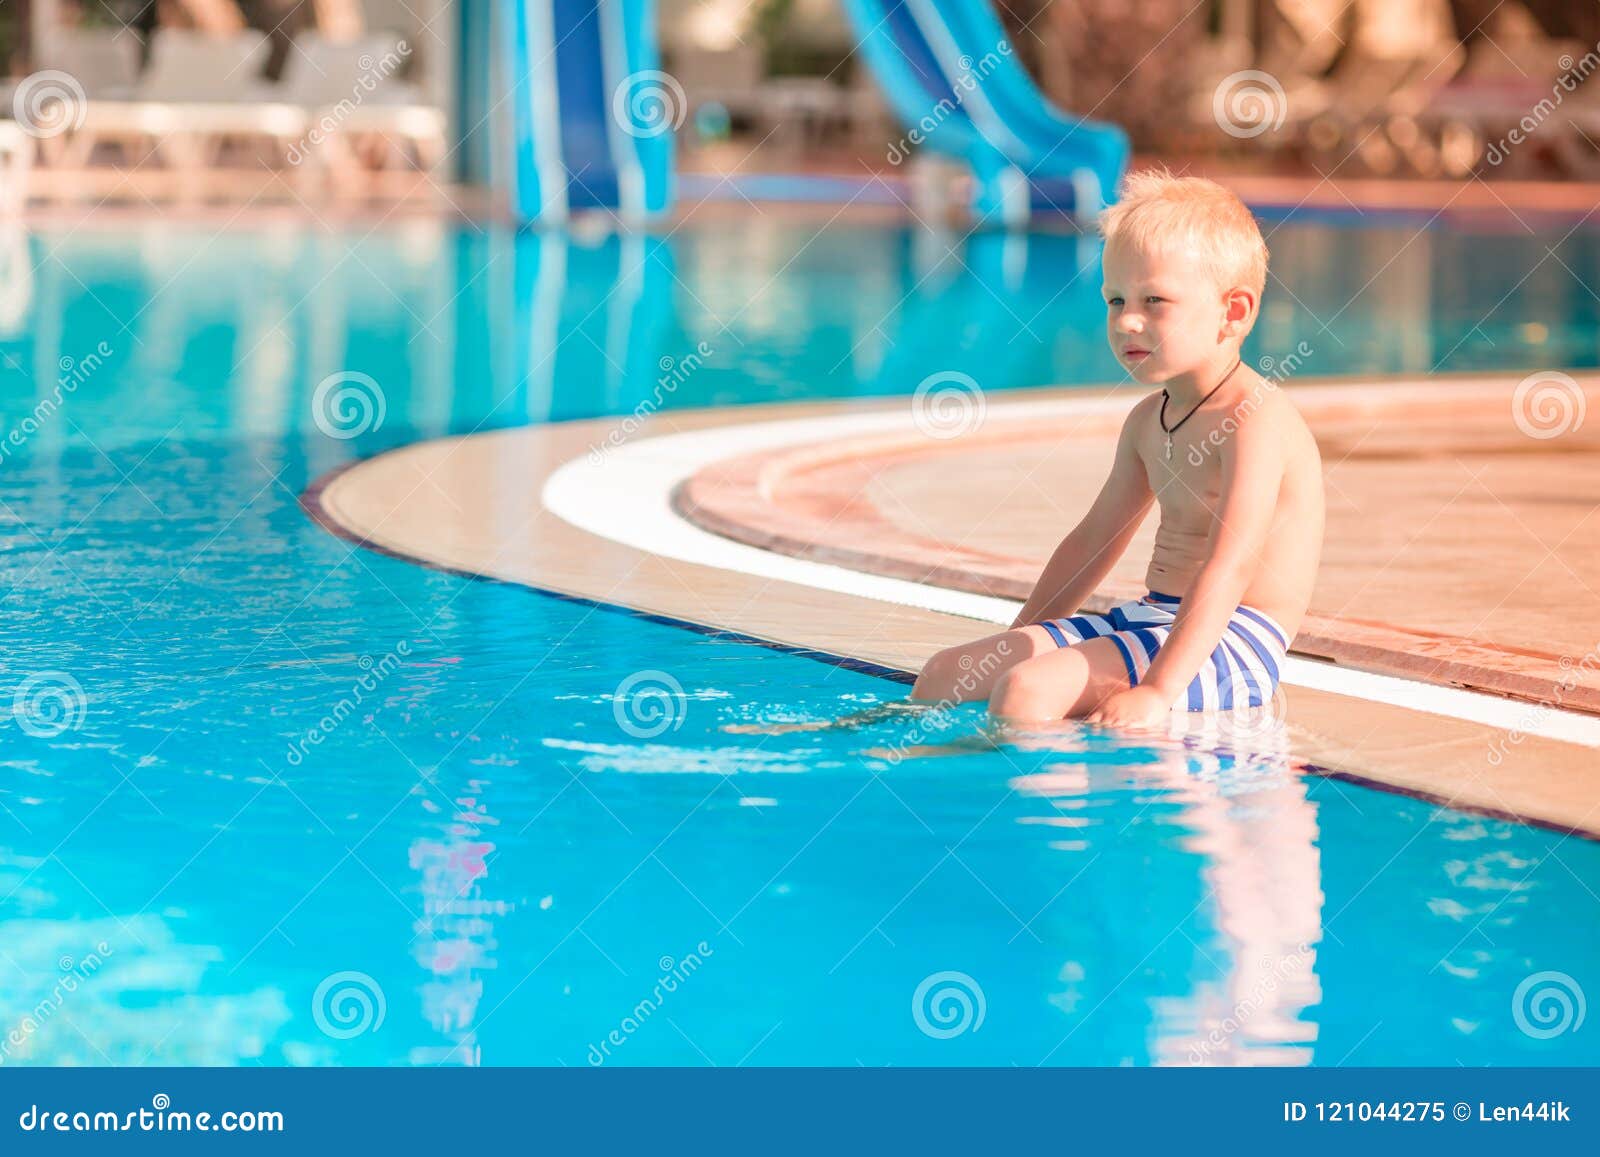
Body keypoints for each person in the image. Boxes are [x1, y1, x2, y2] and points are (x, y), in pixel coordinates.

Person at [910, 167, 1325, 729]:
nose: (1127, 320)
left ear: (1234, 312)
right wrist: (1024, 639)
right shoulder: (1146, 421)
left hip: (1234, 638)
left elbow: (1228, 566)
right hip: (1151, 616)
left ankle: (1039, 812)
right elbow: (1092, 541)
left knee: (1027, 695)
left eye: (1154, 300)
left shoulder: (1255, 421)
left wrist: (1157, 691)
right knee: (945, 675)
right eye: (1114, 300)